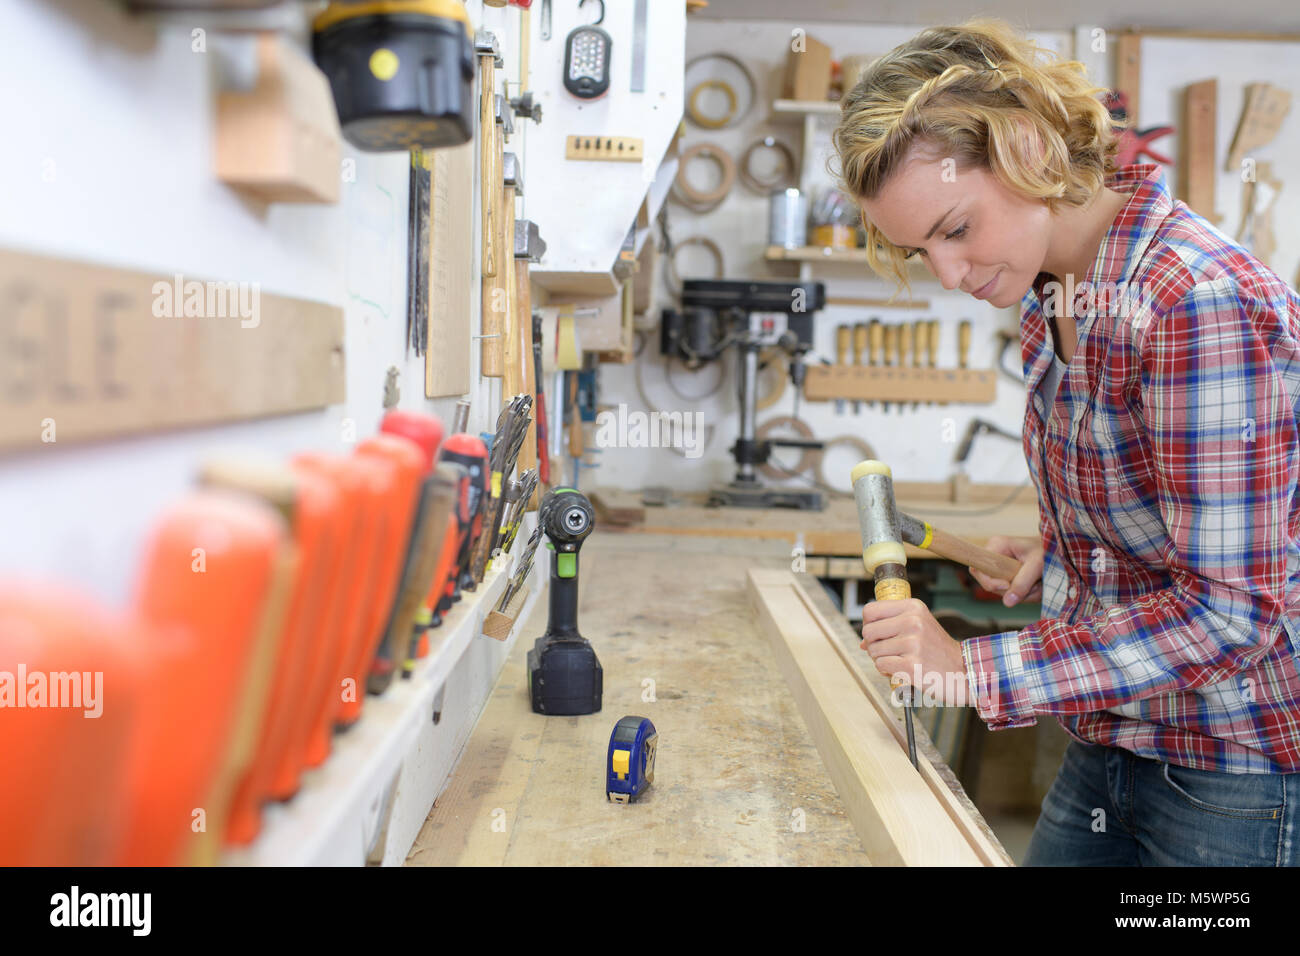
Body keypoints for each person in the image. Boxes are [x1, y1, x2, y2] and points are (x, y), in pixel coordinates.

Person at [833, 18, 1300, 866]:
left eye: (954, 228)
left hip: (1236, 772)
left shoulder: (1193, 302)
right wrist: (1062, 556)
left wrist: (976, 672)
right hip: (1114, 743)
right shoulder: (1052, 295)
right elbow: (1166, 524)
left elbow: (1232, 613)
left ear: (1026, 149)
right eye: (918, 249)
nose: (946, 273)